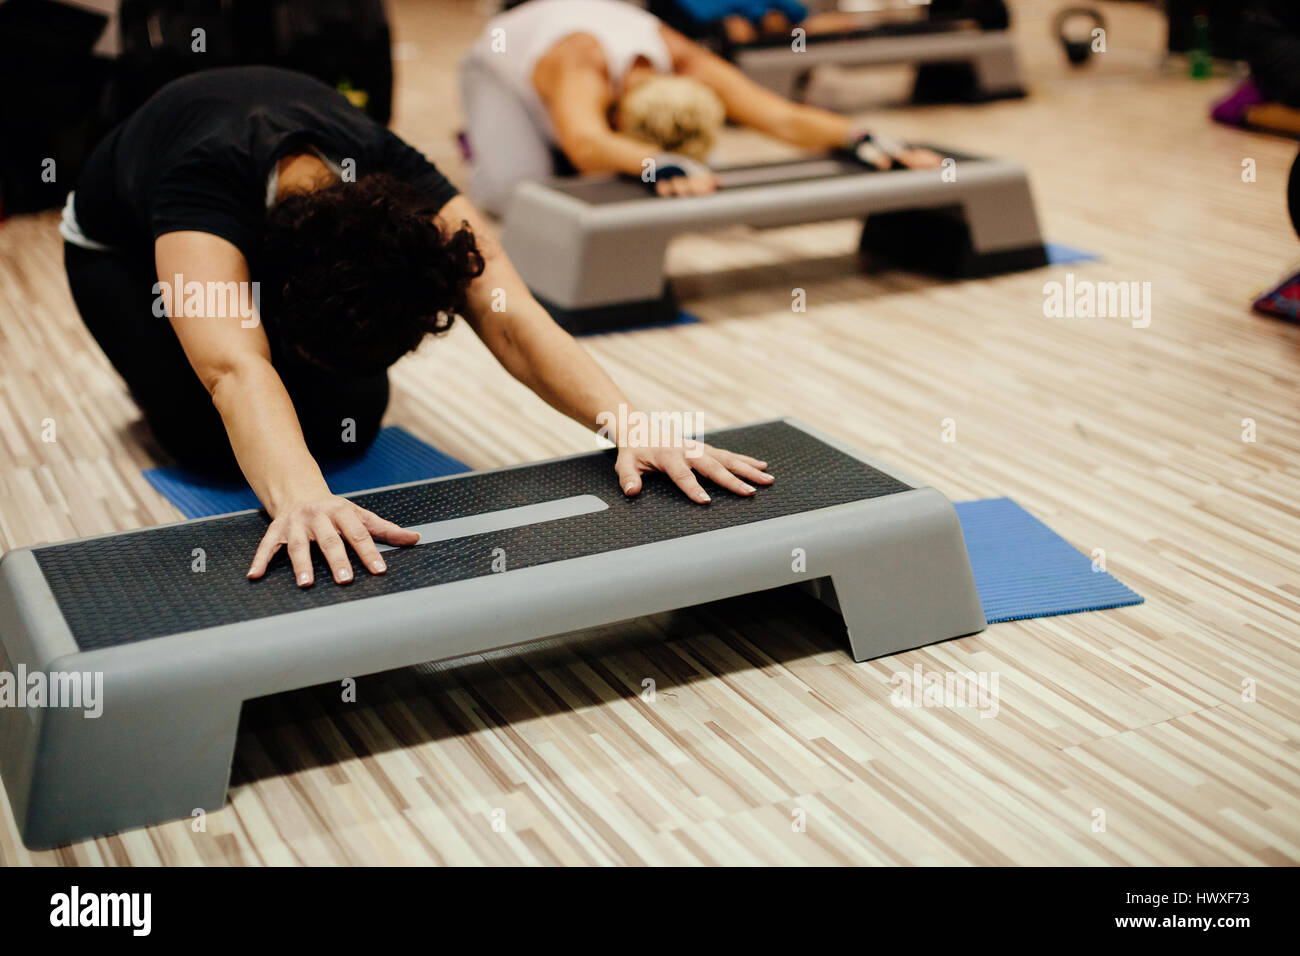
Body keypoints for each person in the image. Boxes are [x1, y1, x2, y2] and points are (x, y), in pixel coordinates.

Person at [62, 65, 772, 588]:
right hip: (116, 253)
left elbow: (514, 319)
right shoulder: (203, 187)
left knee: (354, 420)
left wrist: (630, 424)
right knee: (207, 443)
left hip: (284, 233)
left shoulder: (396, 172)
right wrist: (303, 499)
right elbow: (233, 366)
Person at [460, 0, 941, 213]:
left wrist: (860, 137)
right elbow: (586, 144)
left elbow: (779, 116)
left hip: (593, 74)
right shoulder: (580, 65)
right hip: (500, 69)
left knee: (692, 169)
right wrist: (652, 163)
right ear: (617, 114)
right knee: (517, 193)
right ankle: (481, 140)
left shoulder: (688, 61)